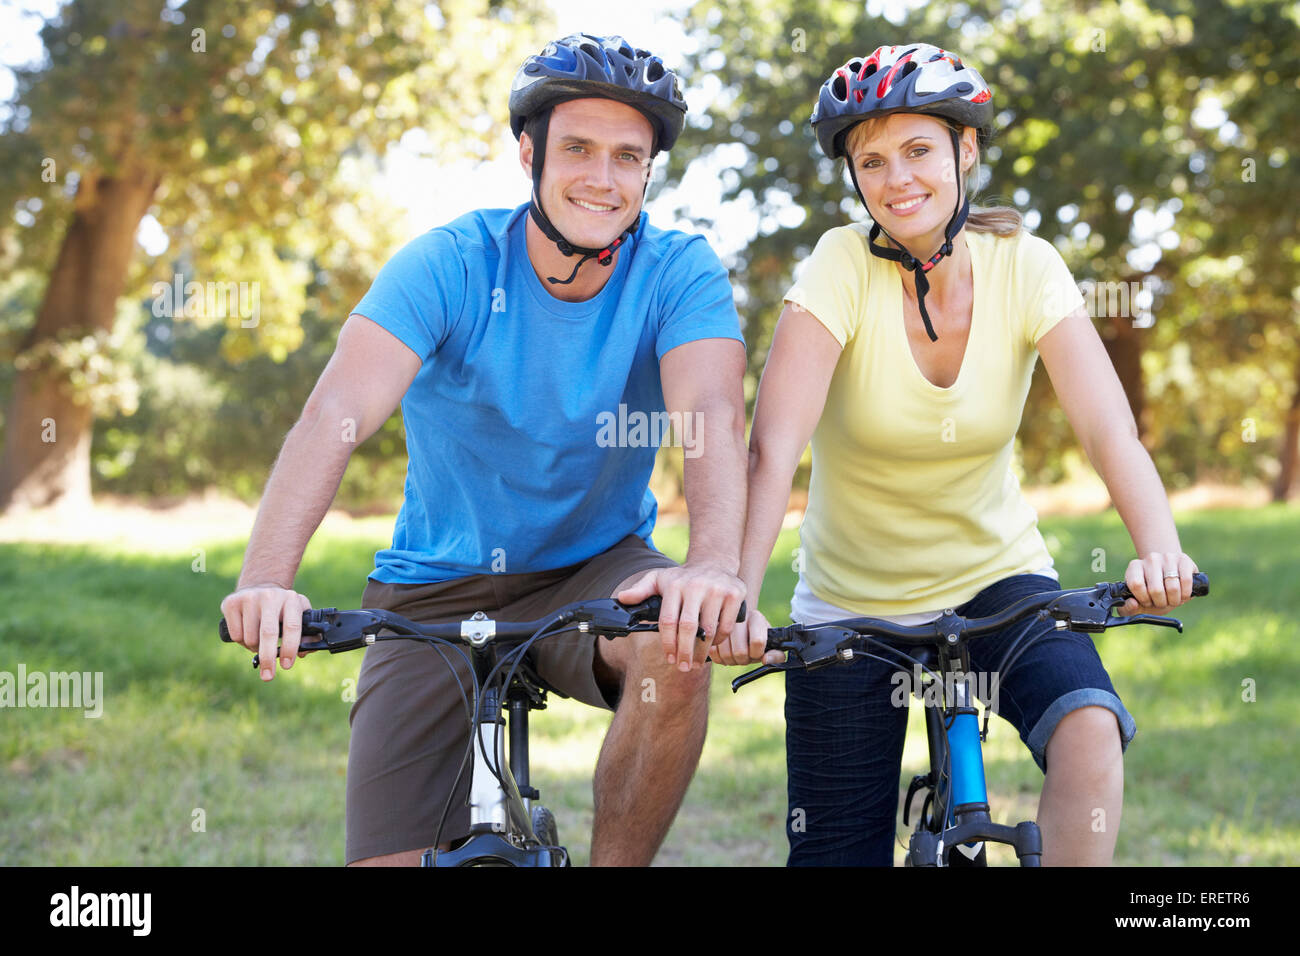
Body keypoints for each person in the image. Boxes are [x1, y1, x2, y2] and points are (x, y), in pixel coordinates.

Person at [219, 34, 748, 866]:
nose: (601, 179)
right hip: (435, 581)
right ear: (530, 153)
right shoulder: (448, 263)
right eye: (577, 149)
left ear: (649, 171)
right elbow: (336, 416)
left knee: (670, 651)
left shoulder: (678, 271)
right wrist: (264, 580)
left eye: (626, 157)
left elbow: (711, 412)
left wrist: (714, 562)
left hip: (596, 563)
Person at [713, 43, 1200, 866]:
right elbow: (774, 448)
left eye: (917, 150)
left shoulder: (1027, 265)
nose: (896, 178)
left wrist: (1159, 547)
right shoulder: (840, 265)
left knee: (1089, 727)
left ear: (964, 150)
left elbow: (1108, 431)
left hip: (997, 584)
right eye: (872, 161)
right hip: (849, 606)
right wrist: (738, 592)